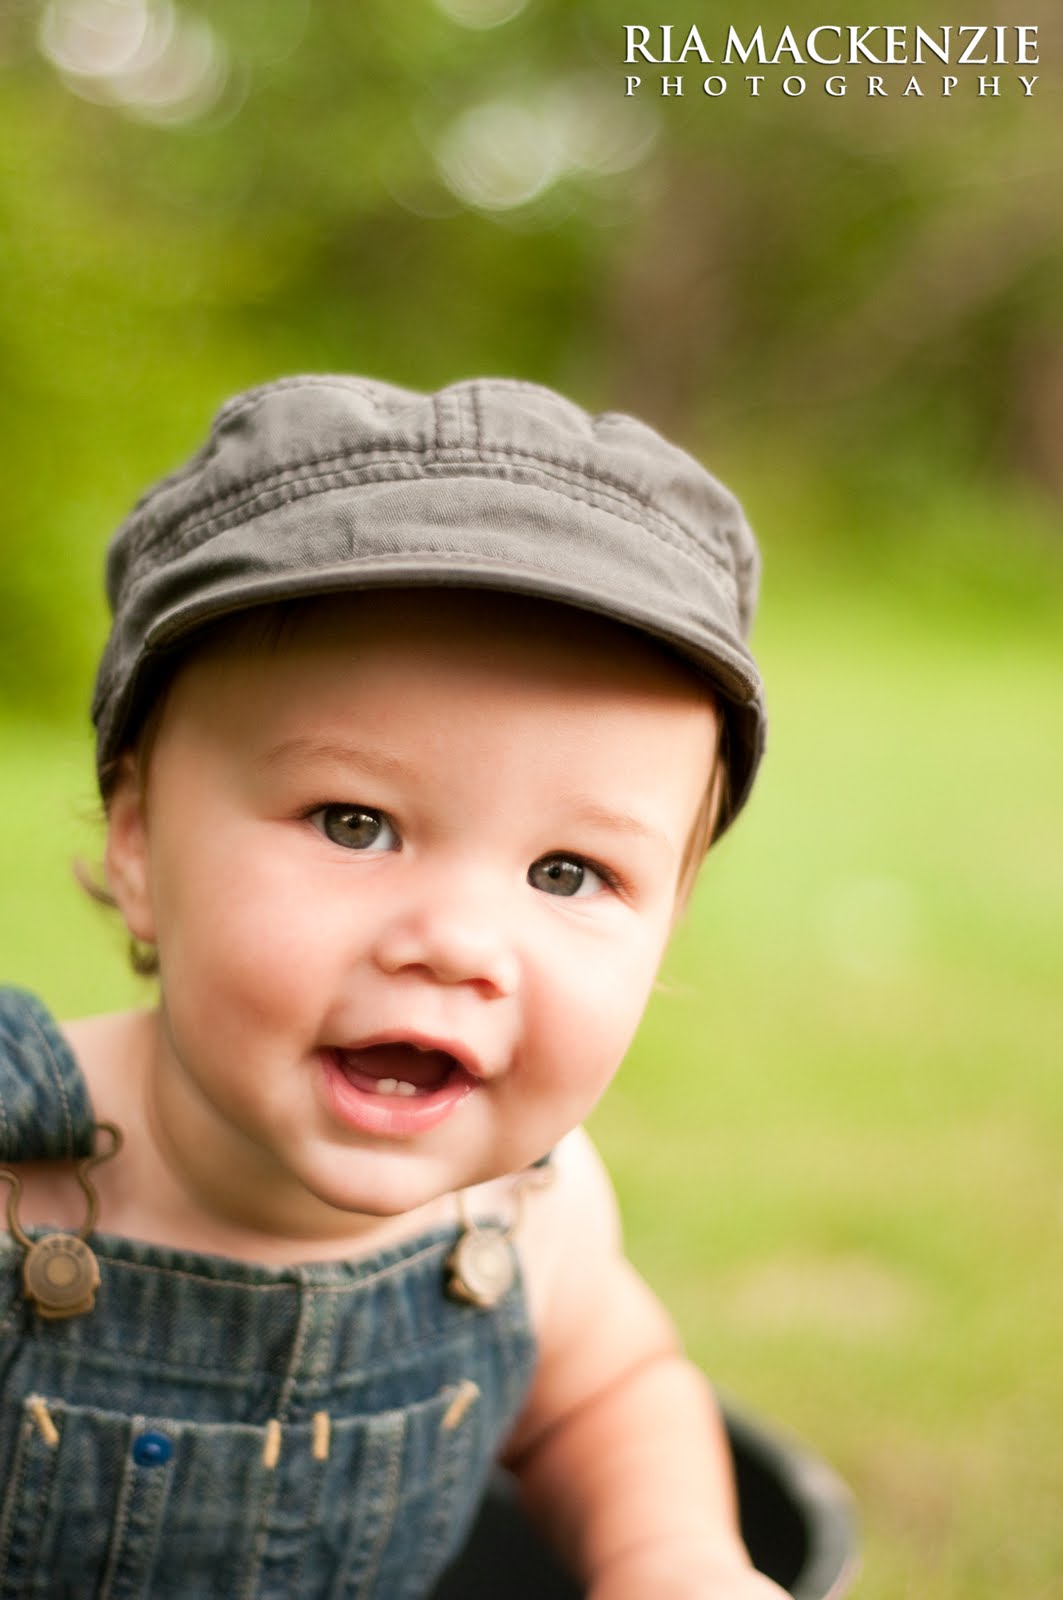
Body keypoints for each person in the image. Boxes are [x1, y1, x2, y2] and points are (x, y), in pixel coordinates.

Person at [0, 374, 782, 1598]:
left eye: (568, 871)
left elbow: (610, 1393)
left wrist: (669, 1554)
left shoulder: (534, 1215)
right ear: (141, 843)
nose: (458, 941)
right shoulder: (18, 1172)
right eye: (356, 822)